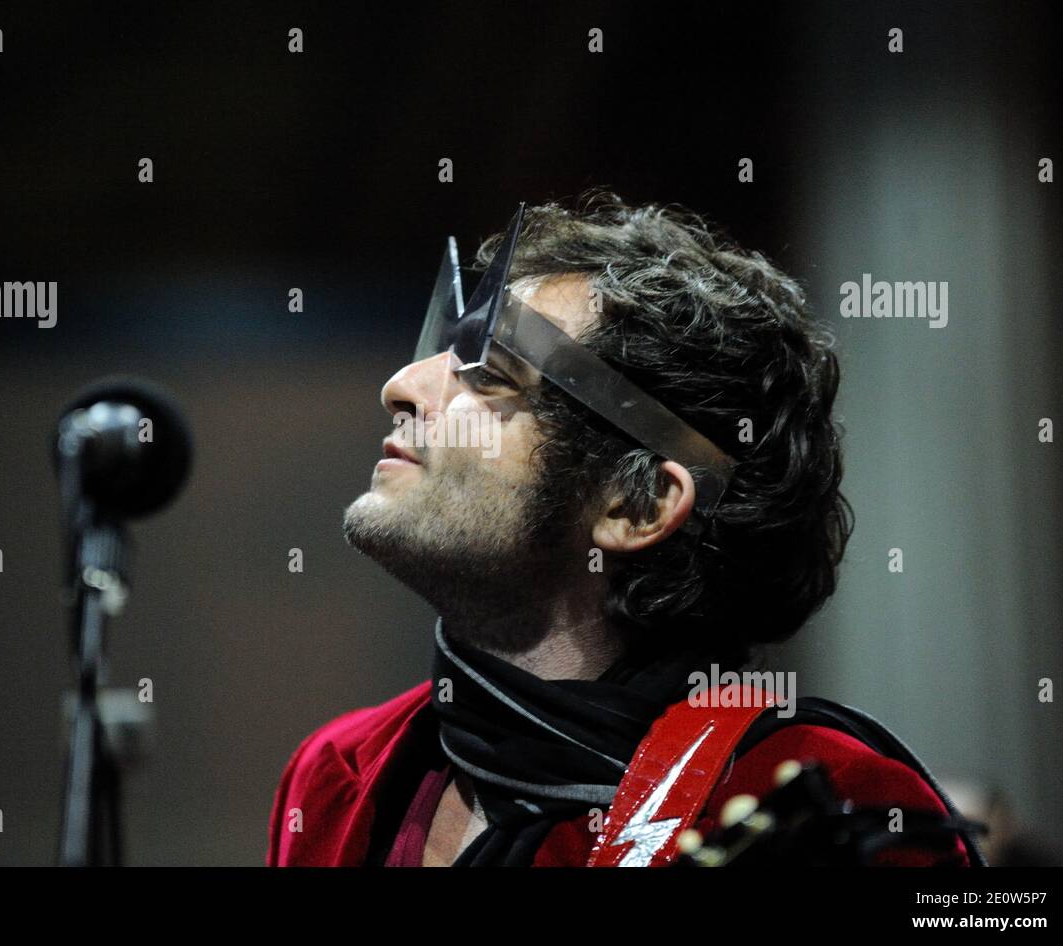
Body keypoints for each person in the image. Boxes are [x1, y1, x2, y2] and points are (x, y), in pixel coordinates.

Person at [266, 192, 980, 867]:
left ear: (634, 505)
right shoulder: (336, 772)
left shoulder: (827, 794)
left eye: (490, 375)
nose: (400, 384)